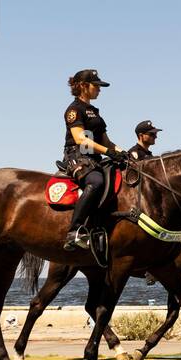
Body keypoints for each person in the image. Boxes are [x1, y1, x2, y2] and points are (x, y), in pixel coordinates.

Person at [62, 69, 127, 251]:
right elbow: (80, 139)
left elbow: (106, 141)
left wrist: (123, 153)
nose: (99, 89)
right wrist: (108, 151)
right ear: (83, 86)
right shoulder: (74, 110)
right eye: (96, 86)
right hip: (77, 155)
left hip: (95, 157)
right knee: (96, 182)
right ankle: (74, 232)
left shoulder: (95, 112)